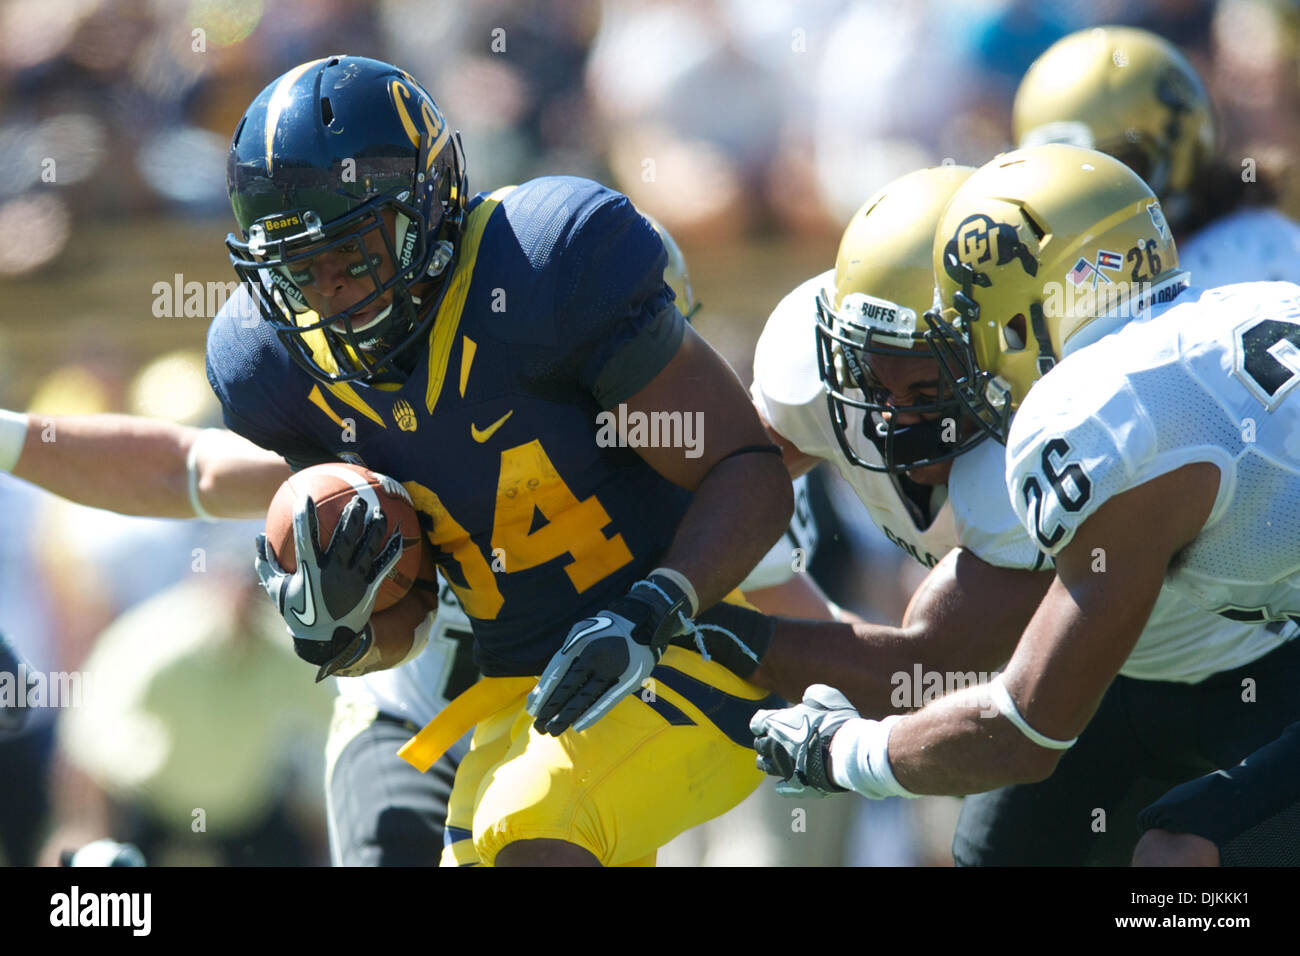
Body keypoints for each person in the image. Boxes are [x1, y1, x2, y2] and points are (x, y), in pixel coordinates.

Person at [210, 54, 799, 867]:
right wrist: (337, 627)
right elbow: (404, 616)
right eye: (300, 272)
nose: (331, 297)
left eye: (353, 257)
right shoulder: (272, 367)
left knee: (531, 835)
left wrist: (653, 608)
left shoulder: (545, 266)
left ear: (427, 204)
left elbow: (746, 469)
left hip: (676, 648)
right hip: (511, 693)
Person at [752, 143, 1300, 868]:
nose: (967, 345)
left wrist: (837, 752)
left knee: (1181, 857)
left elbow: (1024, 729)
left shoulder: (1099, 409)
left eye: (974, 314)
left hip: (1258, 673)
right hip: (1192, 669)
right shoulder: (1242, 304)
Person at [1013, 25, 1300, 289]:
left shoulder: (1243, 258)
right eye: (1063, 185)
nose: (1085, 207)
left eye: (1114, 173)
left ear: (1179, 148)